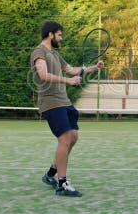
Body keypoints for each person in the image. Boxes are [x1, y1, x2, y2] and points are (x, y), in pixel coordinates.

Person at [31, 20, 104, 197]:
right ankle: (62, 184)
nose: (61, 38)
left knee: (73, 136)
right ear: (51, 34)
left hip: (64, 101)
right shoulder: (39, 52)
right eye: (60, 35)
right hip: (51, 102)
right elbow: (43, 74)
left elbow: (71, 70)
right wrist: (68, 81)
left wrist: (94, 68)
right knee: (64, 138)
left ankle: (52, 173)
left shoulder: (55, 53)